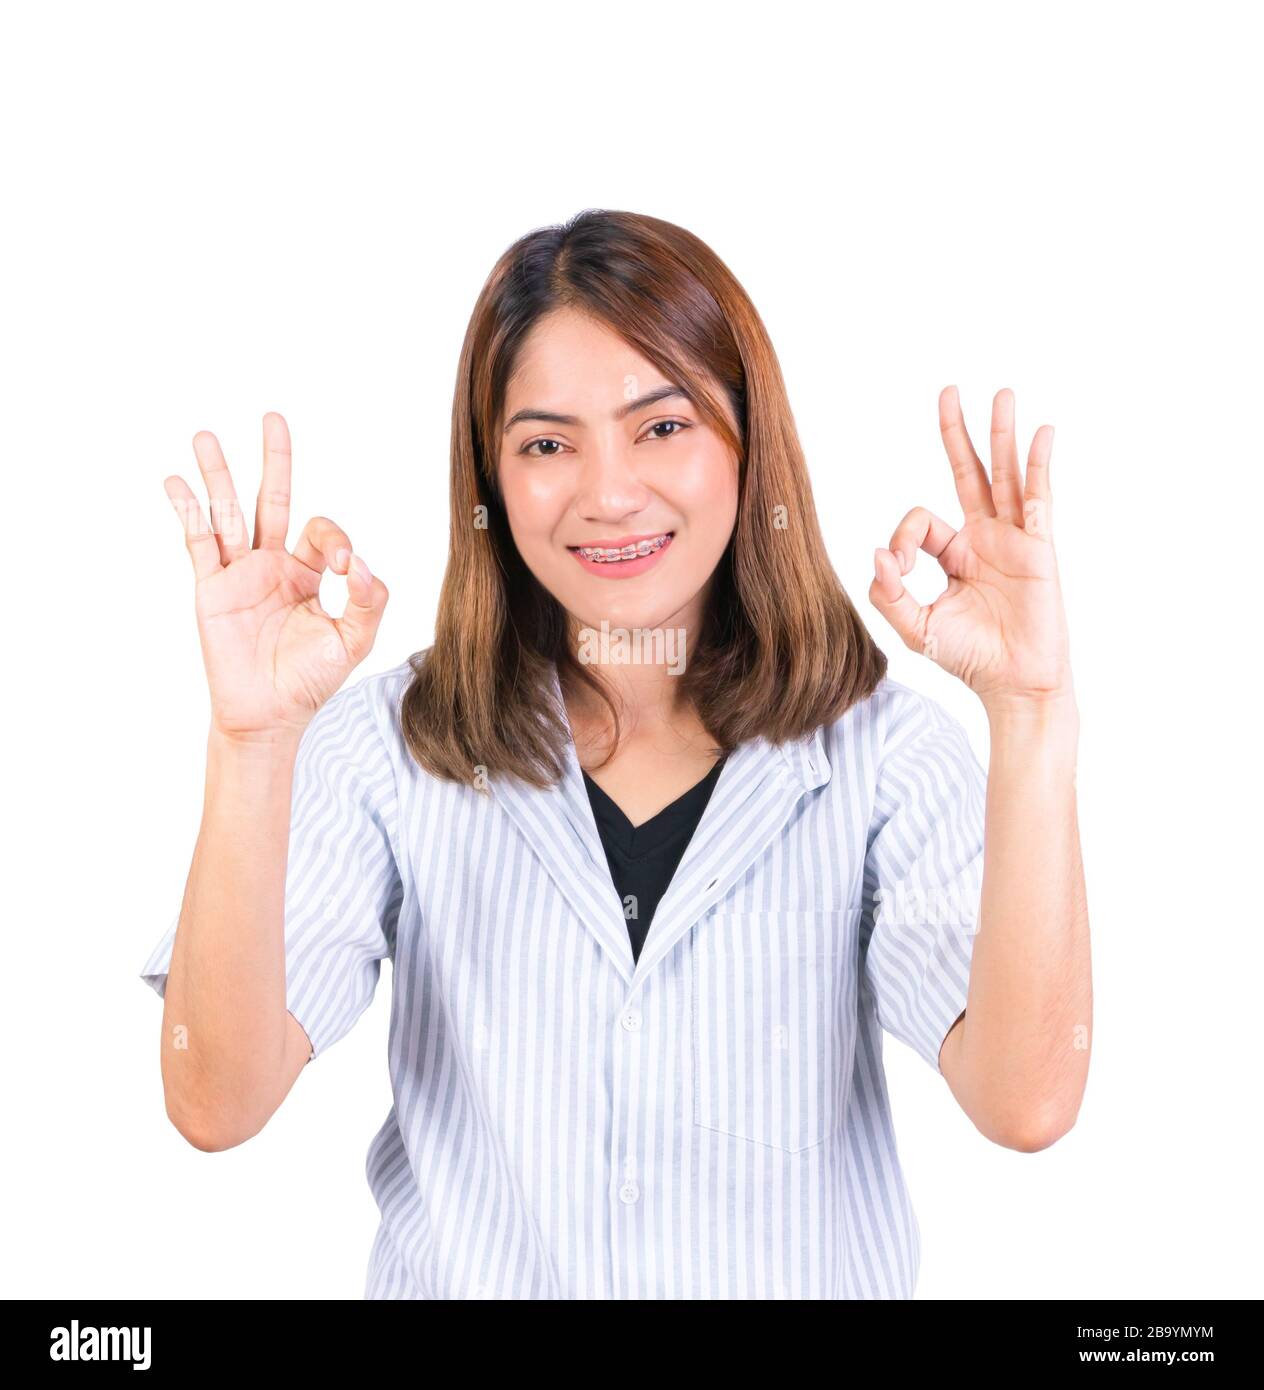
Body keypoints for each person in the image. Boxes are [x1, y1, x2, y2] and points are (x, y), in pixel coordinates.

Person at [139, 208, 1090, 1300]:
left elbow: (1026, 1102)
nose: (608, 492)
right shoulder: (387, 746)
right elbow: (214, 1100)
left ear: (749, 439)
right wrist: (251, 742)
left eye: (662, 427)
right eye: (546, 444)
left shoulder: (882, 754)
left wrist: (1032, 710)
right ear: (489, 482)